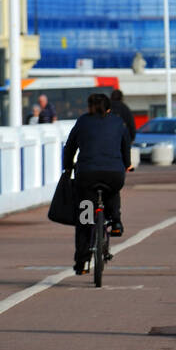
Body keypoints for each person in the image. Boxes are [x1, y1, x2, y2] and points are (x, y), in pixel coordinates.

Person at [62, 92, 132, 274]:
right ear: (109, 108)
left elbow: (70, 147)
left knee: (85, 220)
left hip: (86, 176)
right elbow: (125, 145)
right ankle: (116, 222)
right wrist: (127, 164)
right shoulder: (117, 121)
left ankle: (82, 264)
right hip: (114, 175)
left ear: (89, 107)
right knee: (112, 189)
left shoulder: (83, 122)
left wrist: (68, 167)